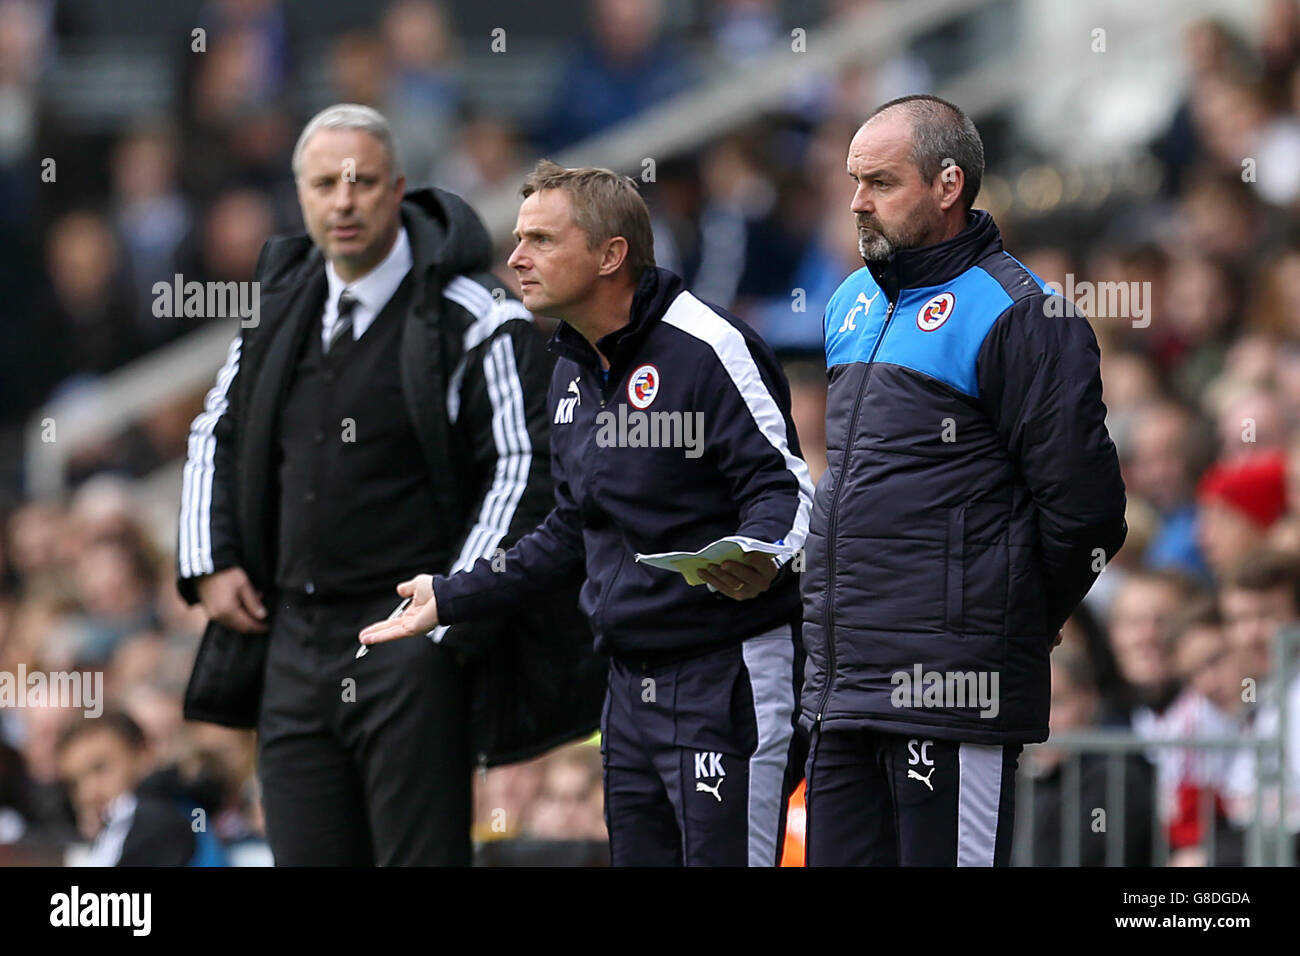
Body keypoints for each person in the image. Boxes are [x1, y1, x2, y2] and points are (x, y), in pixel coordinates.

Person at [361, 160, 813, 866]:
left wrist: (756, 551)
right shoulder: (568, 367)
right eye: (517, 239)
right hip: (627, 689)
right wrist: (452, 594)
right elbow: (570, 527)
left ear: (610, 255)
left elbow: (784, 489)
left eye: (541, 240)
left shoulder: (710, 346)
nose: (515, 258)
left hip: (727, 673)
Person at [176, 104, 596, 866]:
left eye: (362, 181)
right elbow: (216, 430)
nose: (343, 201)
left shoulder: (476, 316)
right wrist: (211, 562)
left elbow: (525, 465)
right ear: (298, 195)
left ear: (397, 188)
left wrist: (446, 612)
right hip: (291, 638)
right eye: (322, 185)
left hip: (412, 640)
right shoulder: (276, 308)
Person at [799, 95, 1128, 866]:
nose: (857, 202)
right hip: (845, 693)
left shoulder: (1023, 315)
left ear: (949, 185)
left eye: (880, 182)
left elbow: (1086, 513)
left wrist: (1004, 617)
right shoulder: (849, 302)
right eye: (853, 181)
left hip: (951, 695)